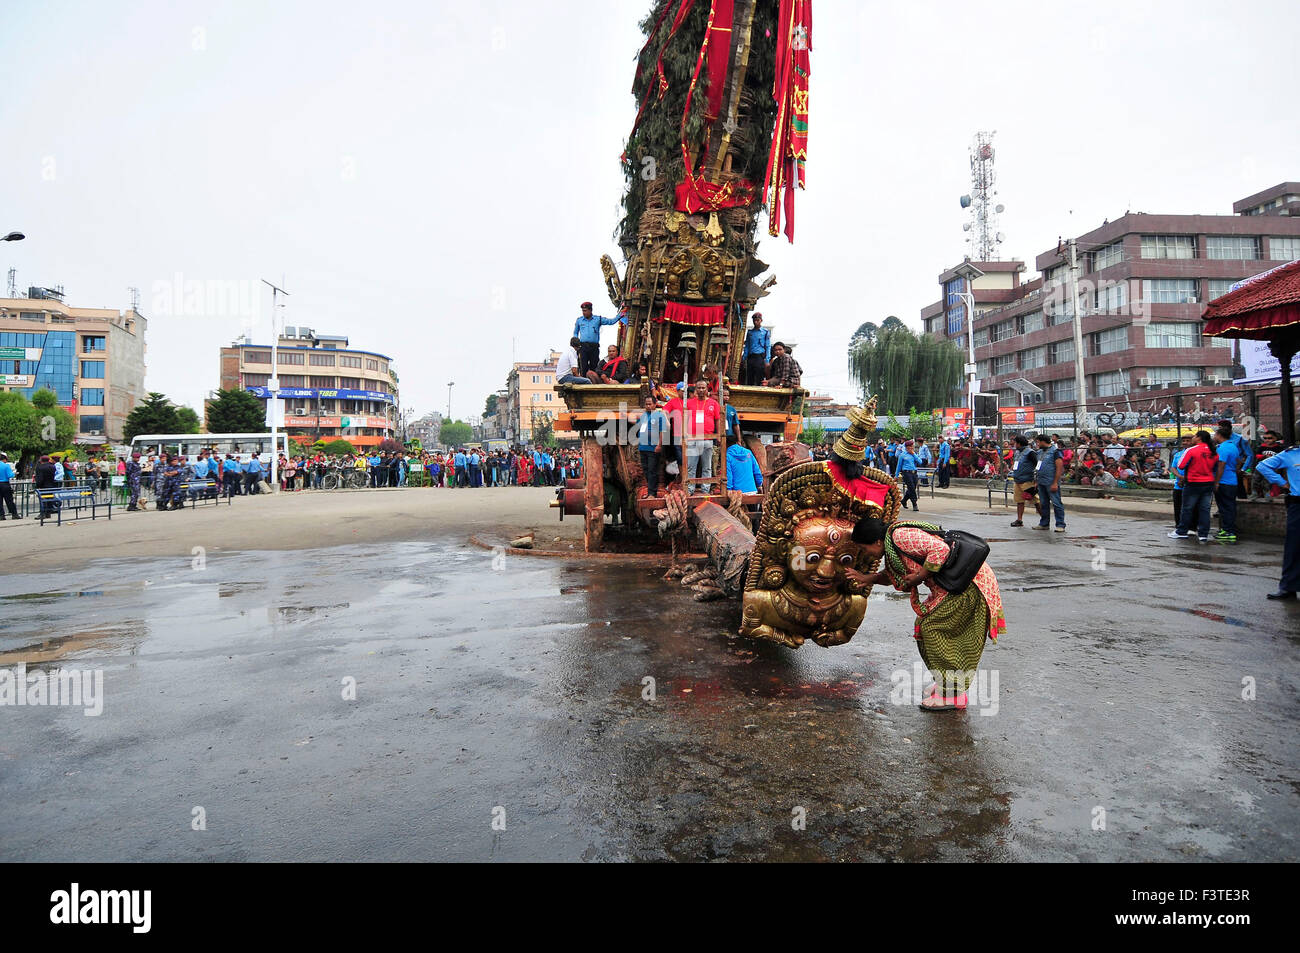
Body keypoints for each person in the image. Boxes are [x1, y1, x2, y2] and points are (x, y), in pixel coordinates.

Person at [849, 516, 1005, 711]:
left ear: (877, 542)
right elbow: (894, 575)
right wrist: (868, 578)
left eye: (864, 549)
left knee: (932, 629)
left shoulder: (900, 536)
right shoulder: (892, 547)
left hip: (969, 585)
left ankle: (952, 694)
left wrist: (920, 576)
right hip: (957, 586)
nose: (866, 555)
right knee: (925, 630)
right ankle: (945, 685)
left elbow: (941, 550)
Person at [1257, 443, 1300, 600]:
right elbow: (1263, 466)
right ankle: (1289, 587)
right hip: (1298, 503)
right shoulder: (1290, 454)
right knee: (1294, 547)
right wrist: (1282, 483)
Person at [1168, 431, 1217, 543]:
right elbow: (1215, 468)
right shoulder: (1213, 451)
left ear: (1199, 438)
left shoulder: (1191, 450)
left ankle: (1181, 531)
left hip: (1193, 482)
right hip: (1208, 482)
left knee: (1187, 508)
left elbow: (1181, 465)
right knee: (1205, 509)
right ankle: (1203, 534)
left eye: (1194, 437)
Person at [684, 379, 721, 494]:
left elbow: (718, 420)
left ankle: (705, 489)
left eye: (703, 388)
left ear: (707, 389)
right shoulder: (689, 403)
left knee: (707, 467)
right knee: (691, 466)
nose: (701, 390)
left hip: (708, 438)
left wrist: (718, 434)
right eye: (699, 388)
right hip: (692, 439)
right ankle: (690, 489)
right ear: (696, 389)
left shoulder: (713, 403)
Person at [573, 301, 619, 377]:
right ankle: (584, 382)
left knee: (594, 366)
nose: (583, 313)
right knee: (583, 366)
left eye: (585, 311)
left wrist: (620, 315)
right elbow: (575, 333)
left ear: (590, 310)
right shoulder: (579, 320)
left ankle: (593, 383)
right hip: (583, 346)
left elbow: (611, 321)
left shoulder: (598, 319)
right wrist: (576, 341)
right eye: (582, 311)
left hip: (594, 346)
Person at [636, 395, 668, 498]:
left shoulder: (659, 415)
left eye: (650, 404)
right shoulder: (643, 416)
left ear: (655, 404)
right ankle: (650, 490)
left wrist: (659, 445)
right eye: (646, 404)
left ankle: (652, 493)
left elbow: (662, 431)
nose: (648, 406)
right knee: (646, 470)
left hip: (653, 448)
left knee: (652, 471)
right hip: (643, 448)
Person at [1212, 426, 1240, 543]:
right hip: (1232, 480)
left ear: (1219, 435)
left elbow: (1221, 465)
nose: (1214, 436)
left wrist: (1217, 482)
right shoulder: (1233, 446)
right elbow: (1239, 462)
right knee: (1229, 506)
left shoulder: (1222, 448)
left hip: (1224, 482)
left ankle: (1229, 531)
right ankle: (1226, 529)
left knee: (1225, 507)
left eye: (1215, 434)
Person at [1032, 433, 1065, 532]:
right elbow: (1038, 466)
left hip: (1051, 482)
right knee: (1043, 503)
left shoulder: (1055, 451)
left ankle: (1060, 524)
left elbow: (1059, 467)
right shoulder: (1040, 452)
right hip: (1041, 481)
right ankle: (1044, 523)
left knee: (1056, 503)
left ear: (1043, 441)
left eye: (1038, 442)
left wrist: (1055, 482)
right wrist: (1037, 481)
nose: (1037, 444)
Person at [1008, 435, 1038, 527]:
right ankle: (1019, 519)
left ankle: (1044, 519)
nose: (1014, 444)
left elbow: (1037, 465)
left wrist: (1036, 480)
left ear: (1019, 443)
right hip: (1017, 480)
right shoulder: (1017, 452)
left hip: (1027, 480)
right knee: (1019, 501)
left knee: (1035, 501)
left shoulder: (1030, 453)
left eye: (1015, 442)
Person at [741, 311, 771, 386]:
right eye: (754, 320)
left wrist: (767, 359)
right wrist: (744, 357)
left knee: (759, 376)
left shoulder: (765, 332)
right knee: (749, 376)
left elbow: (768, 346)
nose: (756, 322)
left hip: (760, 356)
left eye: (758, 320)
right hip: (751, 357)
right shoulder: (750, 332)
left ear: (761, 320)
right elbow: (747, 346)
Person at [895, 439, 921, 512]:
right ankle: (914, 504)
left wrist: (913, 454)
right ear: (906, 447)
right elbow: (898, 466)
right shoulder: (902, 455)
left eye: (912, 447)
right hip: (906, 473)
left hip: (914, 473)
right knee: (912, 488)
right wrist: (896, 476)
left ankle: (904, 500)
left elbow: (920, 461)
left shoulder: (913, 454)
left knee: (912, 488)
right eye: (910, 447)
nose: (911, 448)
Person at [0, 452, 19, 520]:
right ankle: (14, 514)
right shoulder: (6, 466)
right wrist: (14, 473)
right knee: (9, 500)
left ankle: (1, 515)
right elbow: (10, 475)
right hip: (5, 484)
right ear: (4, 459)